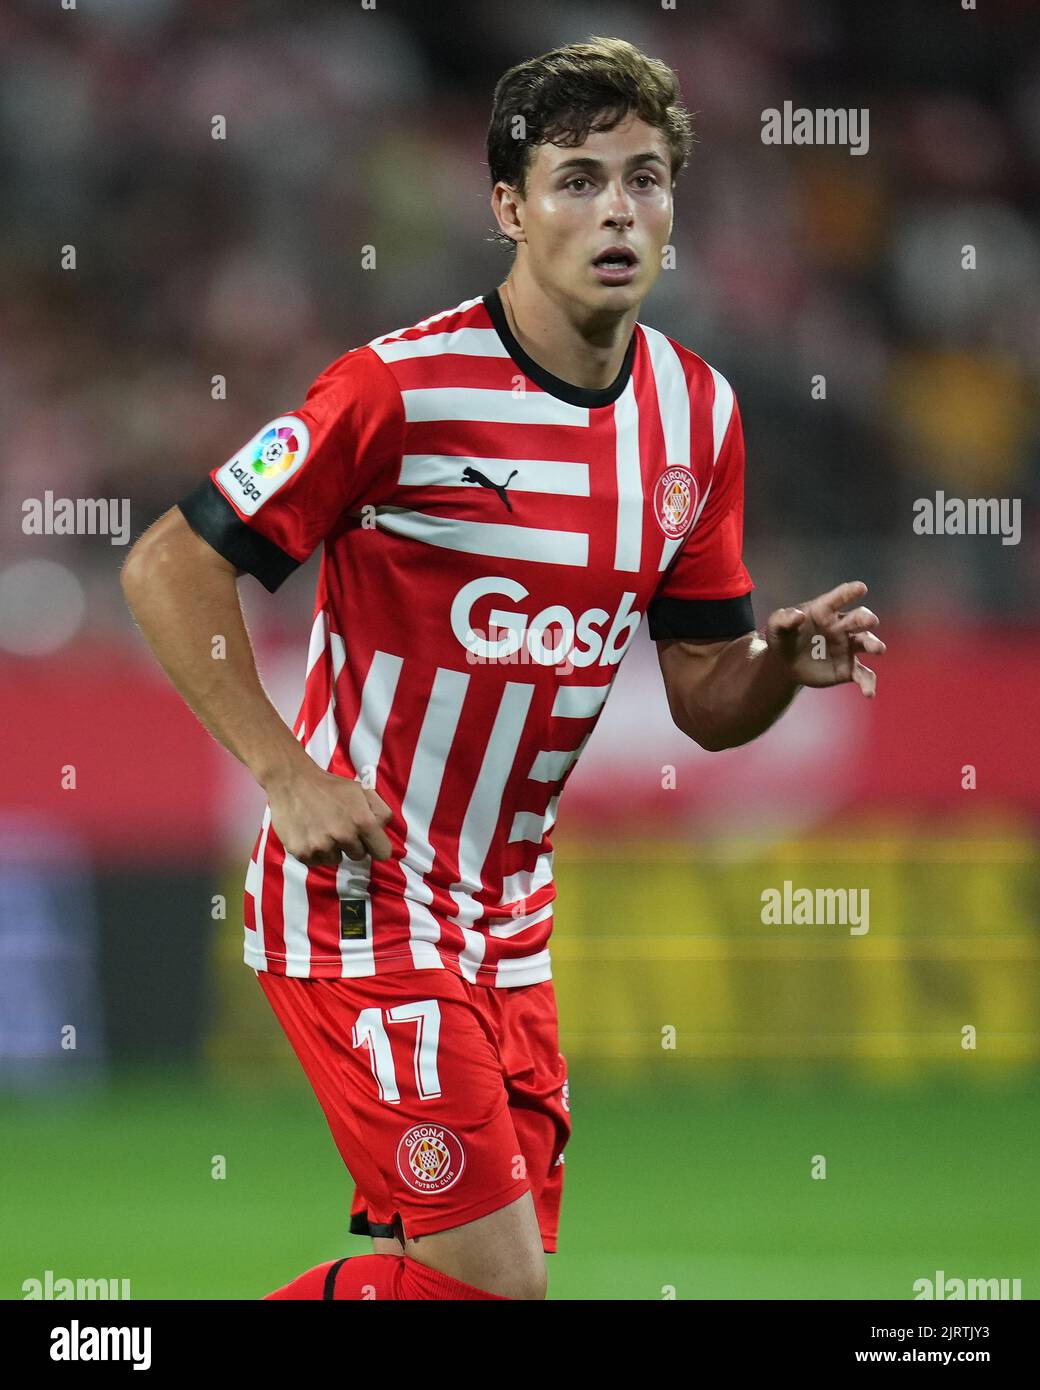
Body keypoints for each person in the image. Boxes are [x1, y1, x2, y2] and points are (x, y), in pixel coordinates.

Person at [120, 35, 884, 1302]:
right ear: (508, 209)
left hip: (507, 923)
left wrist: (774, 665)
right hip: (363, 898)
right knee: (497, 1289)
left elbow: (701, 698)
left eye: (643, 177)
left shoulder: (697, 417)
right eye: (577, 179)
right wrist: (287, 773)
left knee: (463, 1292)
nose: (617, 209)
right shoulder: (398, 390)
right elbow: (165, 564)